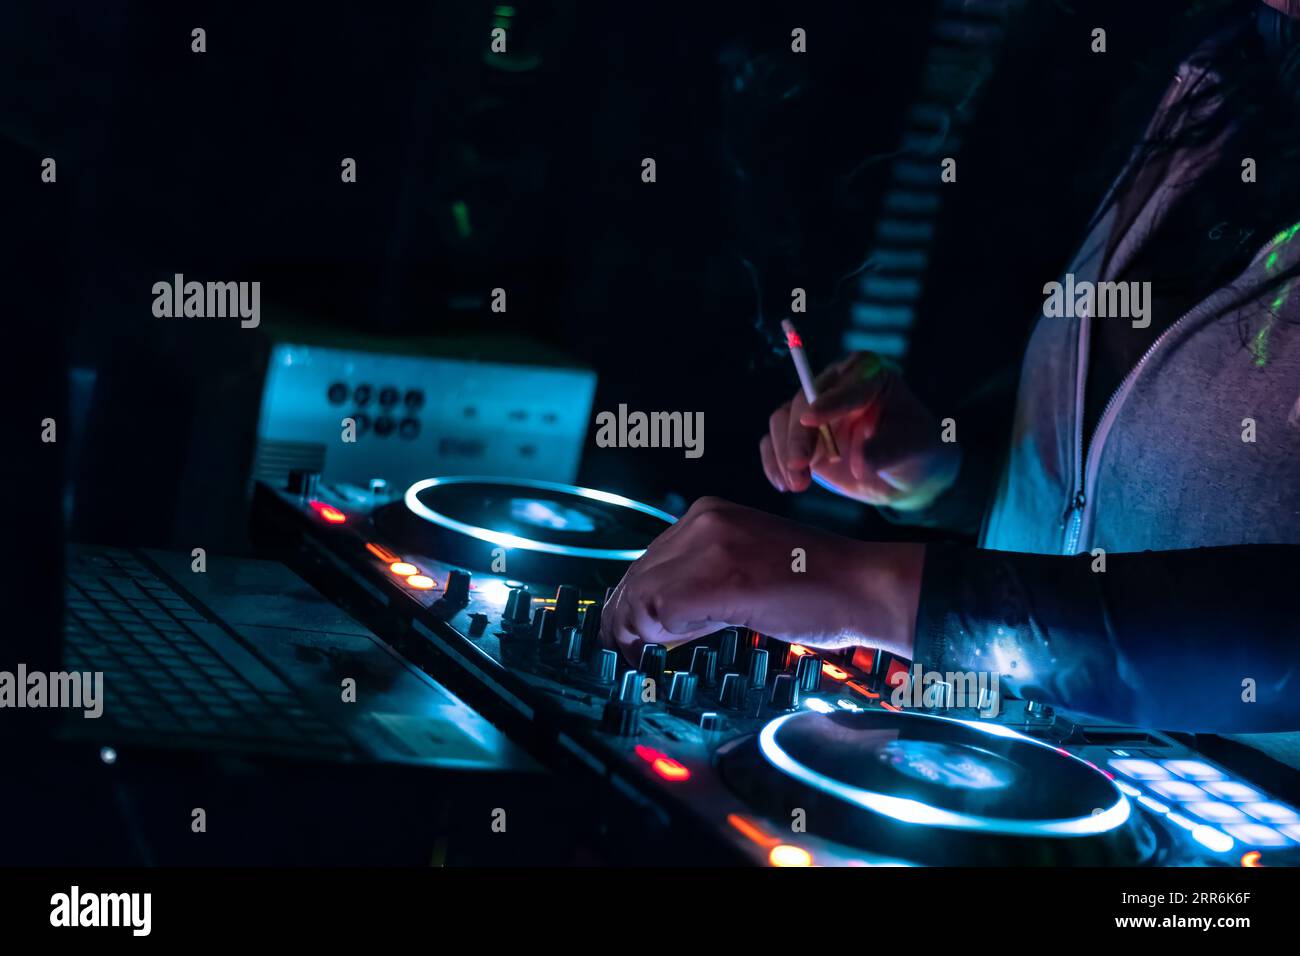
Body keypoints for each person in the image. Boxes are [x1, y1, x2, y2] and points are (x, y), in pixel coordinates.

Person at [601, 0, 1300, 735]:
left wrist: (876, 589)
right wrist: (948, 470)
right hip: (1036, 764)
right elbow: (1111, 487)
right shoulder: (1218, 80)